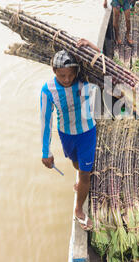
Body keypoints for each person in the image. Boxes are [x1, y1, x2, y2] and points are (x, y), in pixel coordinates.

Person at [40, 40, 100, 231]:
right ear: (54, 72)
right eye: (62, 75)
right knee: (75, 163)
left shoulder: (84, 82)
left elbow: (103, 64)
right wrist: (45, 151)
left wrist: (90, 45)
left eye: (70, 75)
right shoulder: (47, 90)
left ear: (76, 72)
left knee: (84, 173)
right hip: (66, 135)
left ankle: (78, 209)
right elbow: (45, 122)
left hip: (87, 133)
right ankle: (81, 180)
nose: (67, 79)